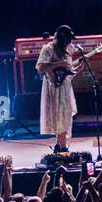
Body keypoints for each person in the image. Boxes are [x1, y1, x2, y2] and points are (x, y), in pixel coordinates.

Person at [36, 25, 82, 153]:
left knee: (64, 115)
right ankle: (63, 148)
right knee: (59, 115)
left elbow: (67, 72)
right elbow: (40, 67)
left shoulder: (67, 50)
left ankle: (59, 145)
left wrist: (78, 68)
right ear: (62, 37)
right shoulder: (48, 48)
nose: (70, 42)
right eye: (68, 39)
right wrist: (59, 63)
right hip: (53, 87)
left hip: (65, 87)